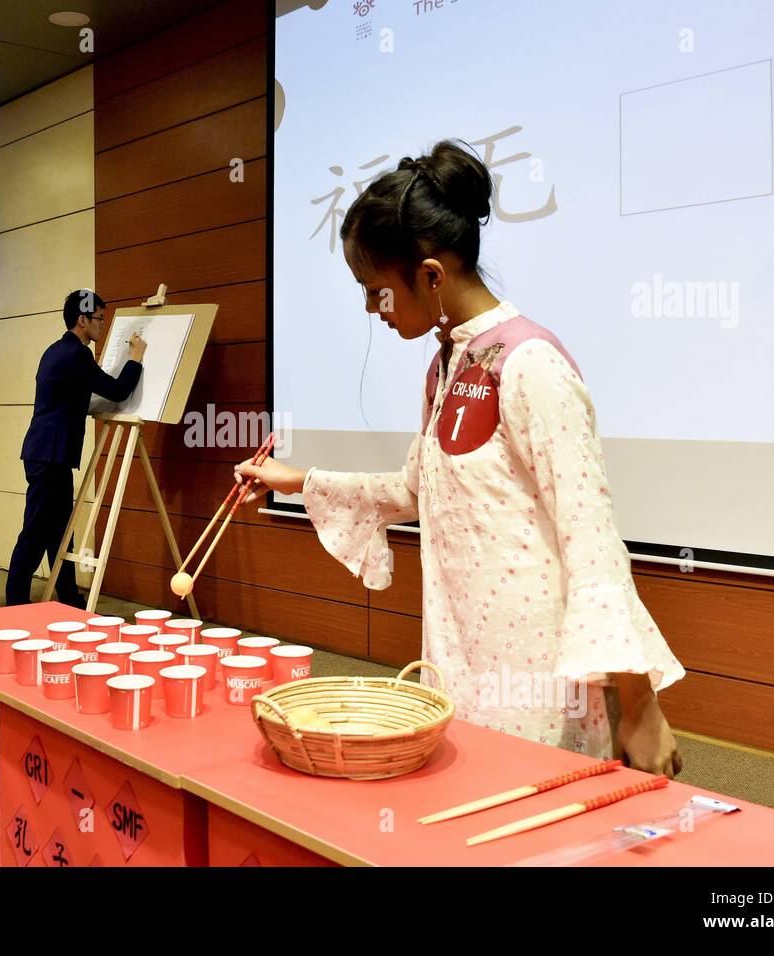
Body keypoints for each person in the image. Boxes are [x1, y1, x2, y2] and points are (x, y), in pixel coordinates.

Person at [236, 141, 685, 776]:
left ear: (430, 276)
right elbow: (420, 490)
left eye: (375, 291)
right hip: (459, 655)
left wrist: (638, 707)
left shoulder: (531, 363)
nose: (370, 309)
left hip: (536, 675)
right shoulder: (447, 363)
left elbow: (591, 538)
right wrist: (299, 480)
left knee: (530, 807)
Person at [6, 290, 146, 606]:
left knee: (60, 530)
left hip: (49, 454)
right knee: (36, 531)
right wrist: (135, 357)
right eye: (99, 319)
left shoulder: (57, 350)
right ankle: (15, 603)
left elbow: (72, 400)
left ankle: (68, 596)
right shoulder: (76, 354)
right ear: (82, 320)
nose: (102, 325)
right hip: (49, 455)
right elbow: (117, 390)